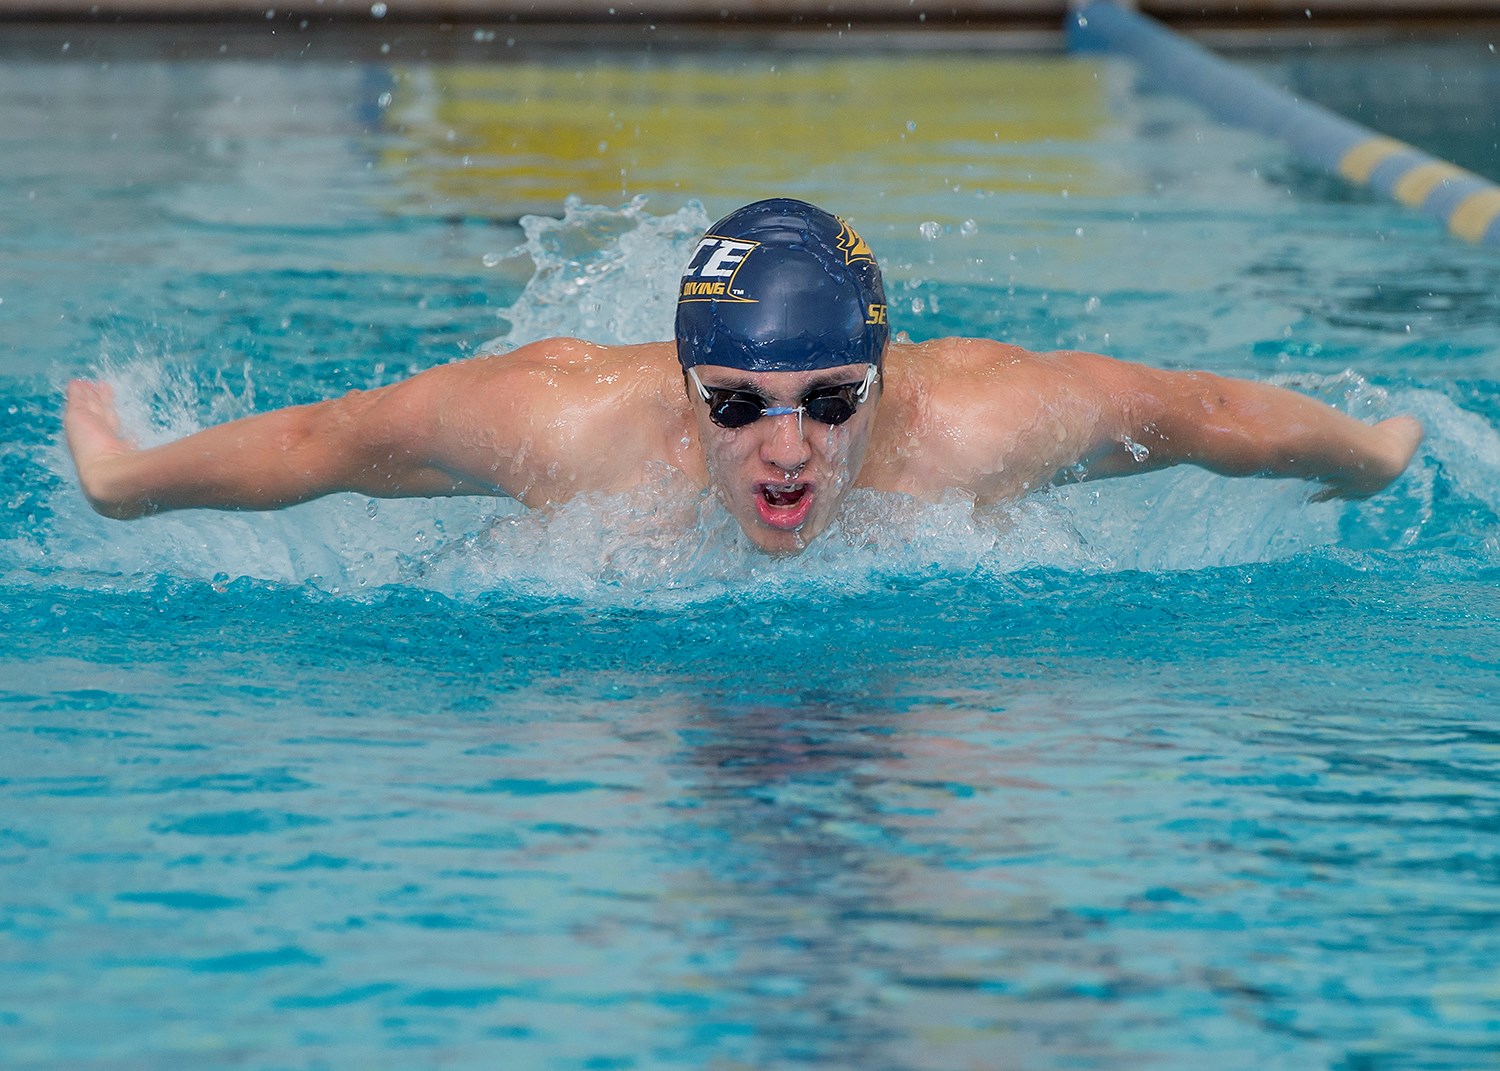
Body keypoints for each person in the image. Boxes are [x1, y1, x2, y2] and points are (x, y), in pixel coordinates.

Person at [65, 197, 1423, 558]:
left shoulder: (980, 420)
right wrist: (126, 483)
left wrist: (1368, 456)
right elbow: (330, 442)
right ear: (685, 389)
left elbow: (1201, 413)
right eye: (738, 406)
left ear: (883, 380)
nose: (787, 448)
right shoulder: (564, 424)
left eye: (831, 402)